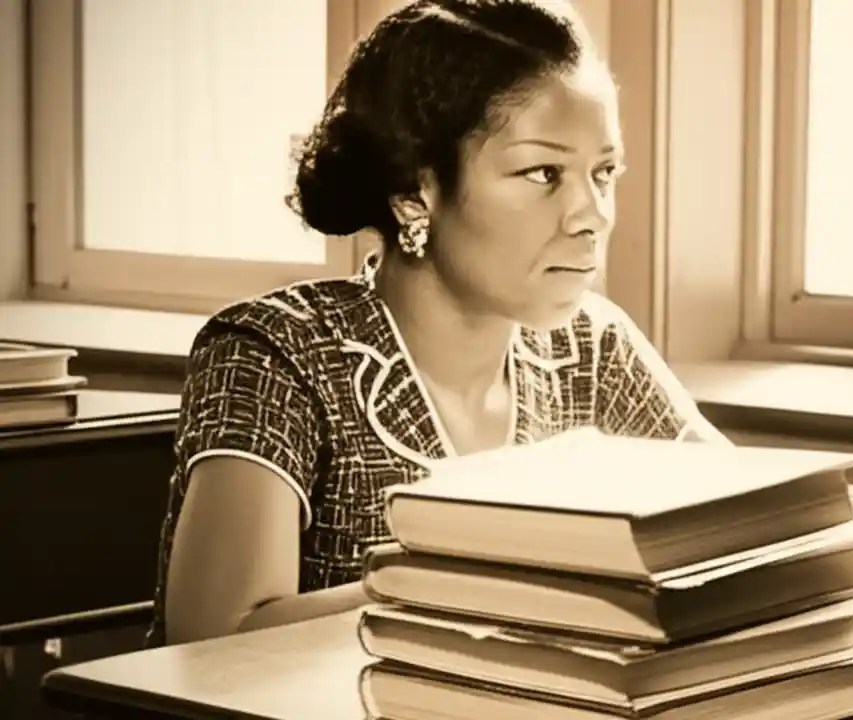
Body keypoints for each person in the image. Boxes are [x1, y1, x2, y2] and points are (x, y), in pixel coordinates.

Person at [150, 0, 729, 647]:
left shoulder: (592, 345)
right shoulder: (276, 353)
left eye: (604, 172)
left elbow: (750, 523)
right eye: (543, 173)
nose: (590, 215)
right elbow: (213, 638)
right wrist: (494, 576)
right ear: (413, 192)